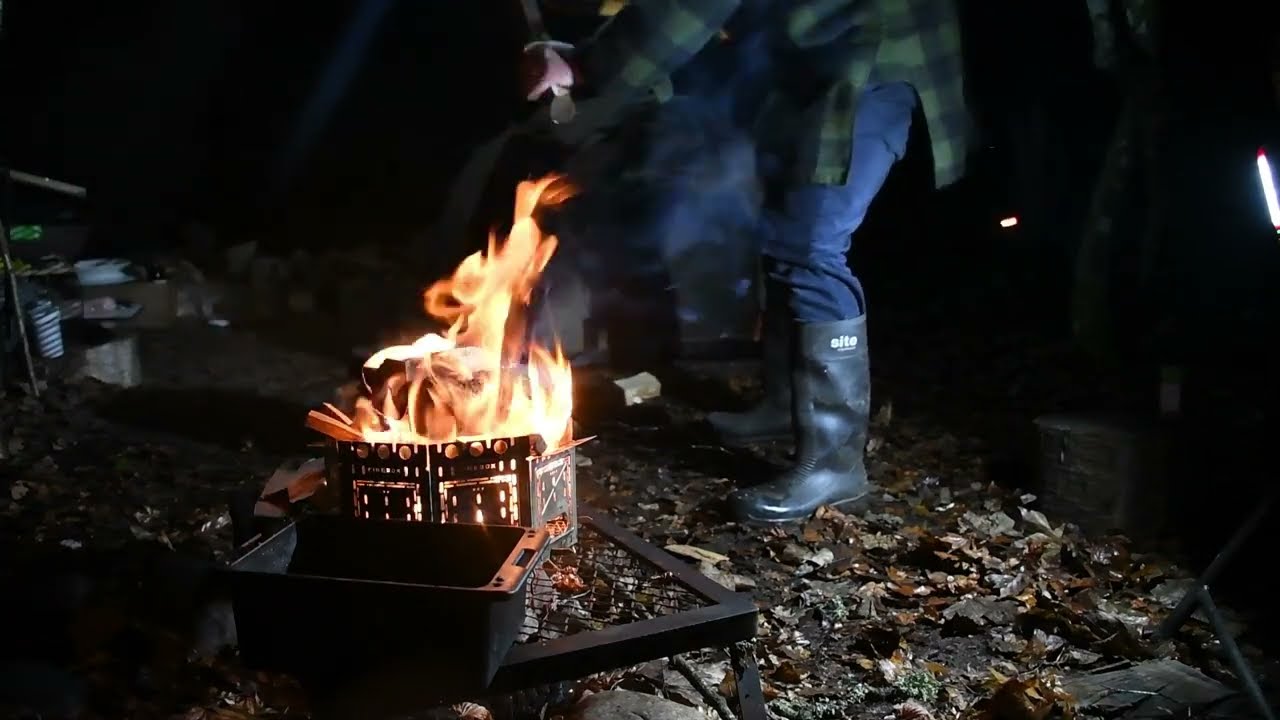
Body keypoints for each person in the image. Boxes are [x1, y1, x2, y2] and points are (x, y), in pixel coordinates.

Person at [523, 0, 970, 522]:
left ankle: (834, 464)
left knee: (811, 248)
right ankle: (787, 405)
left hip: (869, 64)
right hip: (818, 66)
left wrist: (586, 66)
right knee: (782, 235)